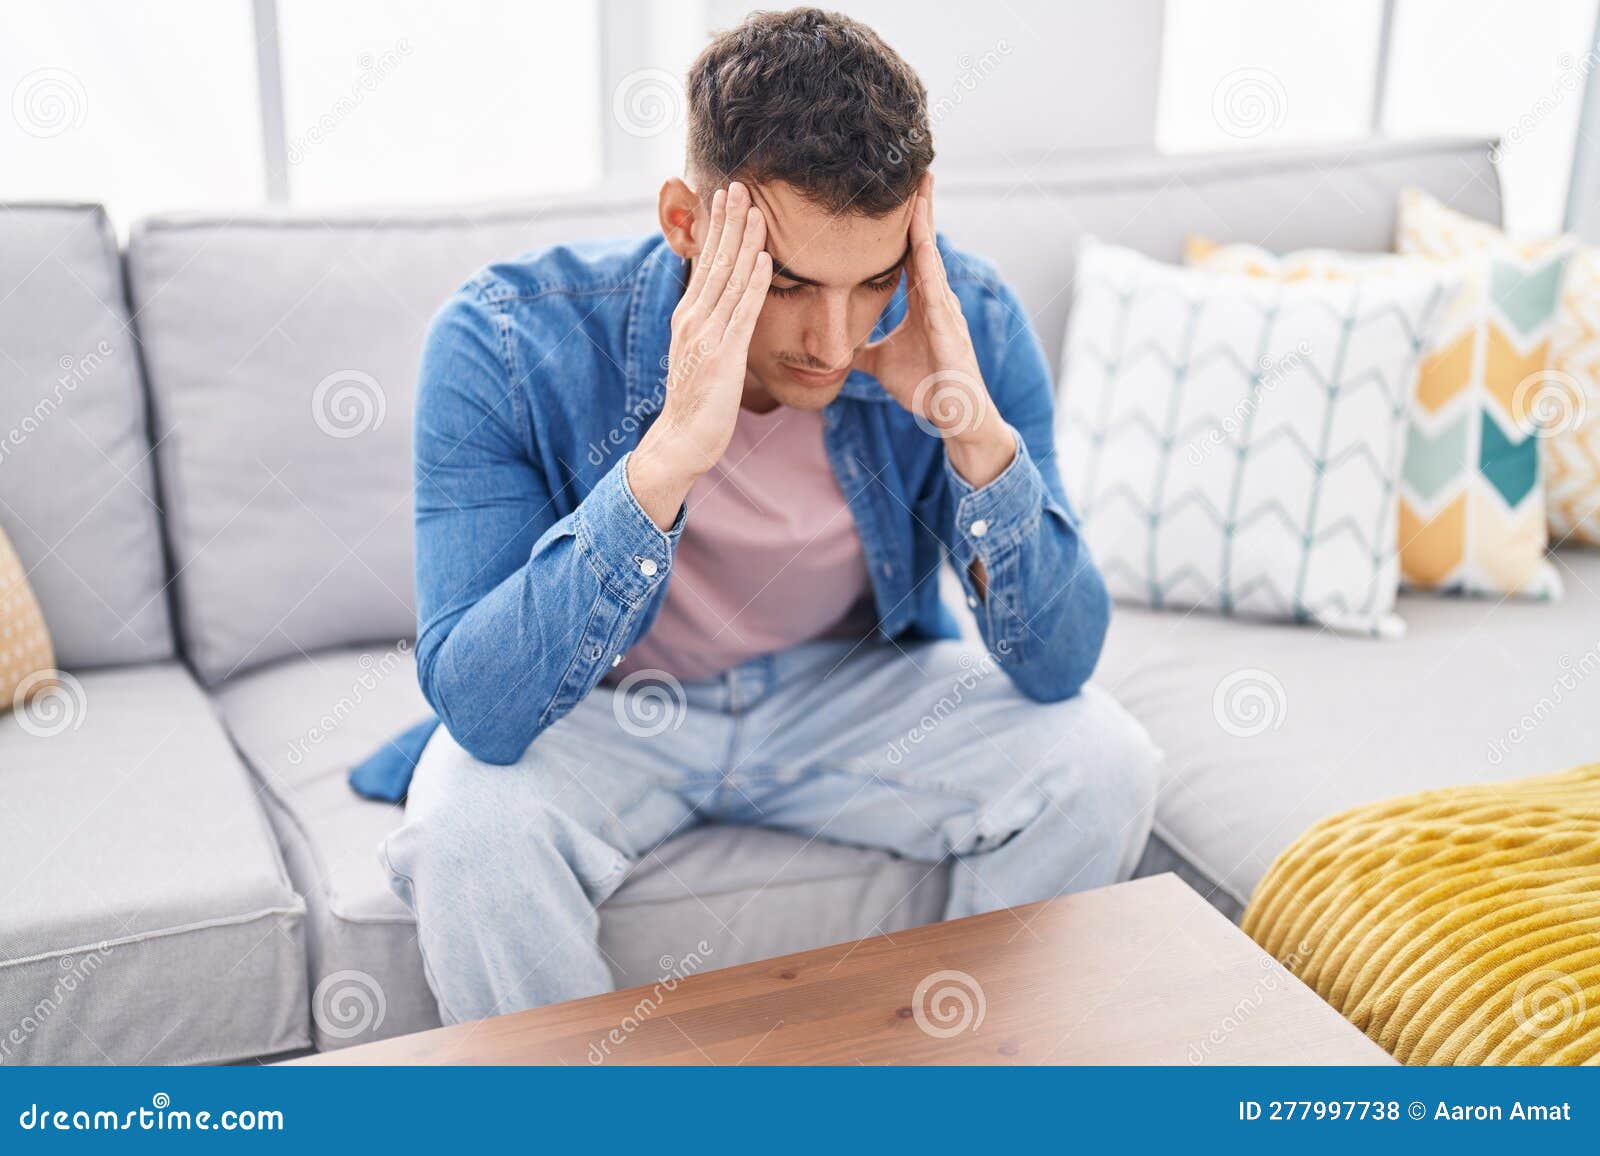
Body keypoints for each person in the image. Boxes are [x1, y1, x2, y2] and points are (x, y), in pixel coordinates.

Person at [377, 7, 1160, 1024]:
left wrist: (973, 432)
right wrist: (665, 459)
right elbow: (478, 707)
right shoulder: (504, 337)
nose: (834, 343)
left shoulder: (960, 318)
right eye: (787, 283)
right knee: (465, 835)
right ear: (686, 223)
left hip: (847, 689)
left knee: (1105, 760)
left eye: (872, 279)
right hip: (604, 711)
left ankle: (960, 1090)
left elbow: (1057, 667)